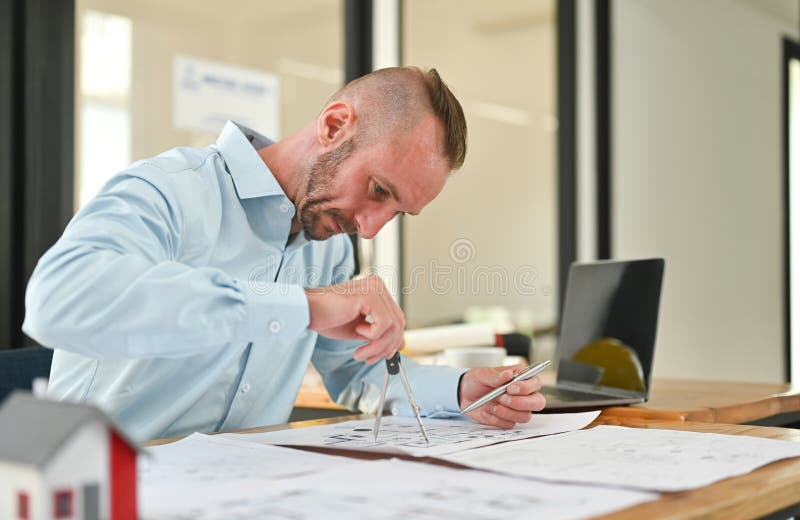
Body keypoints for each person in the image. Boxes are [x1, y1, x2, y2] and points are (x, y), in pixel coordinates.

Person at [23, 67, 545, 441]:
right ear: (335, 125)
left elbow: (357, 374)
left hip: (245, 501)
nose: (368, 229)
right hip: (101, 494)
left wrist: (460, 391)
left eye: (396, 212)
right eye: (379, 190)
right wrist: (304, 305)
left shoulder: (327, 244)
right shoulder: (170, 190)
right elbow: (57, 300)